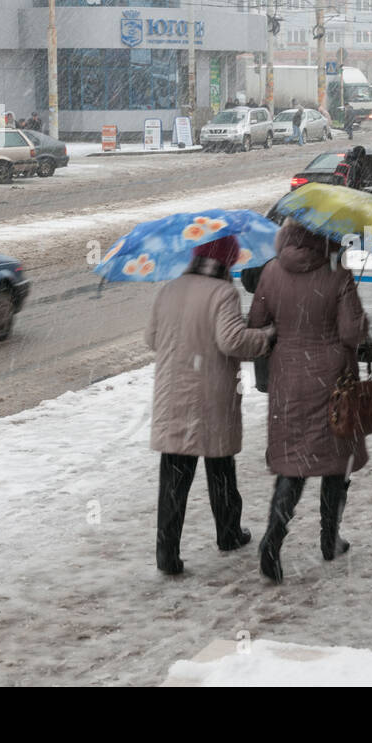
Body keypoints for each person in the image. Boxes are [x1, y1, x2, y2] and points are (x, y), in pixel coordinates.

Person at [248, 222, 371, 583]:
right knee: (336, 461)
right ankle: (329, 538)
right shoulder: (337, 270)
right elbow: (351, 332)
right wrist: (360, 320)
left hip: (287, 379)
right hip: (333, 381)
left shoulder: (271, 270)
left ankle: (273, 538)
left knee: (294, 462)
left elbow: (257, 322)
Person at [145, 235, 275, 575]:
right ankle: (229, 533)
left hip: (173, 397)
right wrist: (266, 337)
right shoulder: (223, 293)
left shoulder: (171, 288)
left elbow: (152, 339)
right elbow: (232, 340)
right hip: (209, 397)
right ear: (227, 261)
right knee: (220, 469)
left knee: (174, 479)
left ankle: (167, 554)